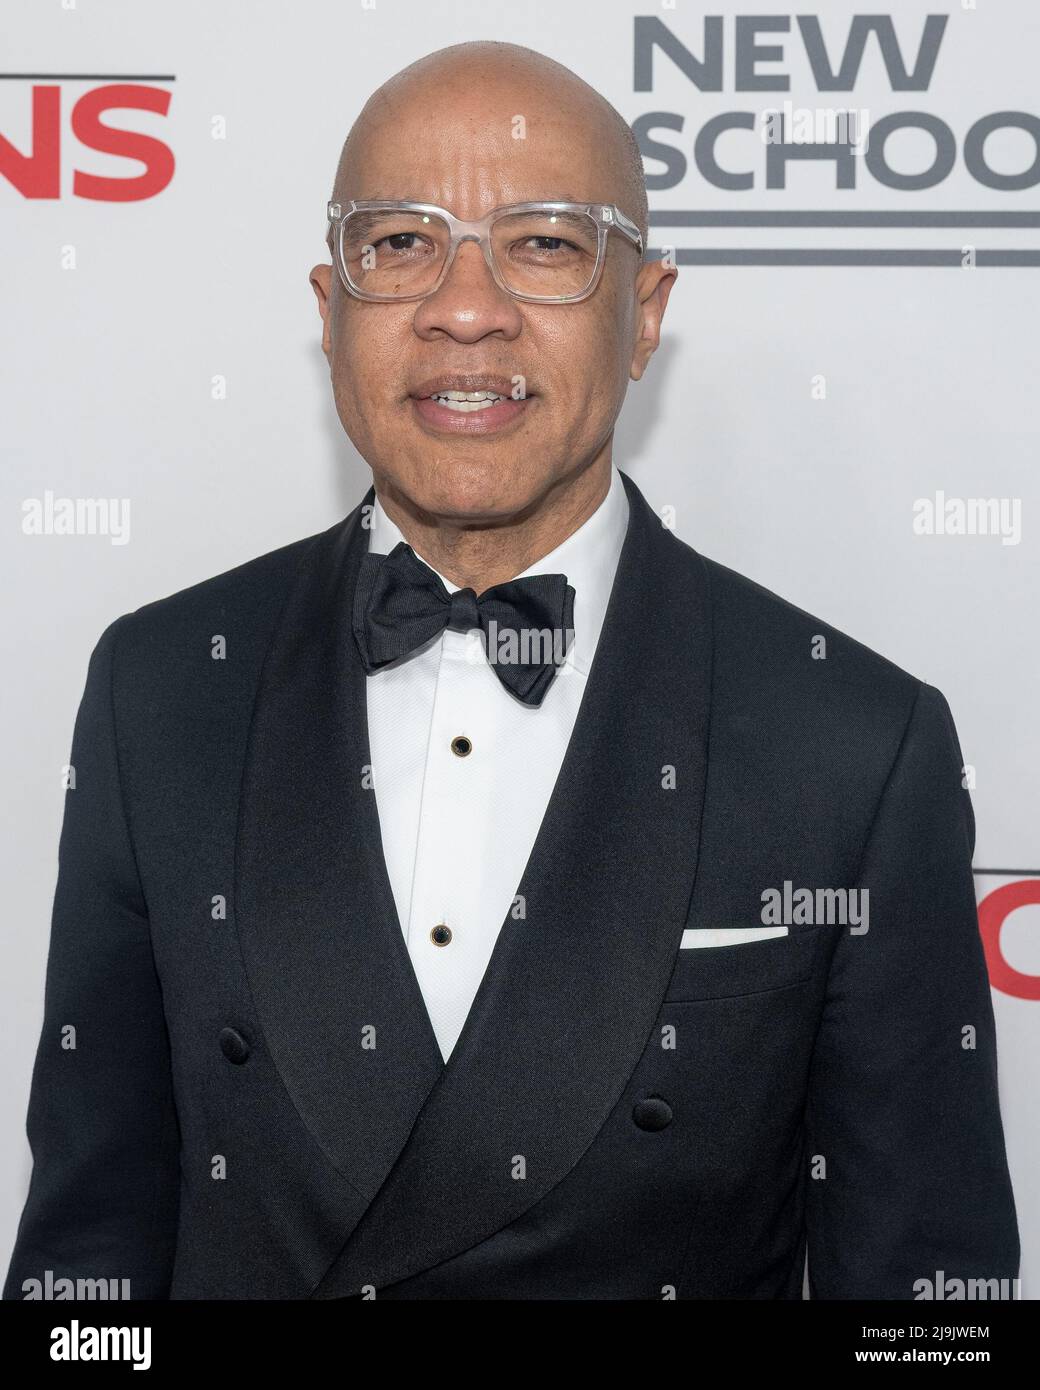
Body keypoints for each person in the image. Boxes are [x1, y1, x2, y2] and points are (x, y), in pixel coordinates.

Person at [4, 40, 1018, 1301]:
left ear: (642, 312)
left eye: (542, 243)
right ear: (328, 312)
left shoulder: (855, 744)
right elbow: (85, 1268)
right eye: (399, 245)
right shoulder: (158, 691)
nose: (464, 306)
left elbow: (924, 1308)